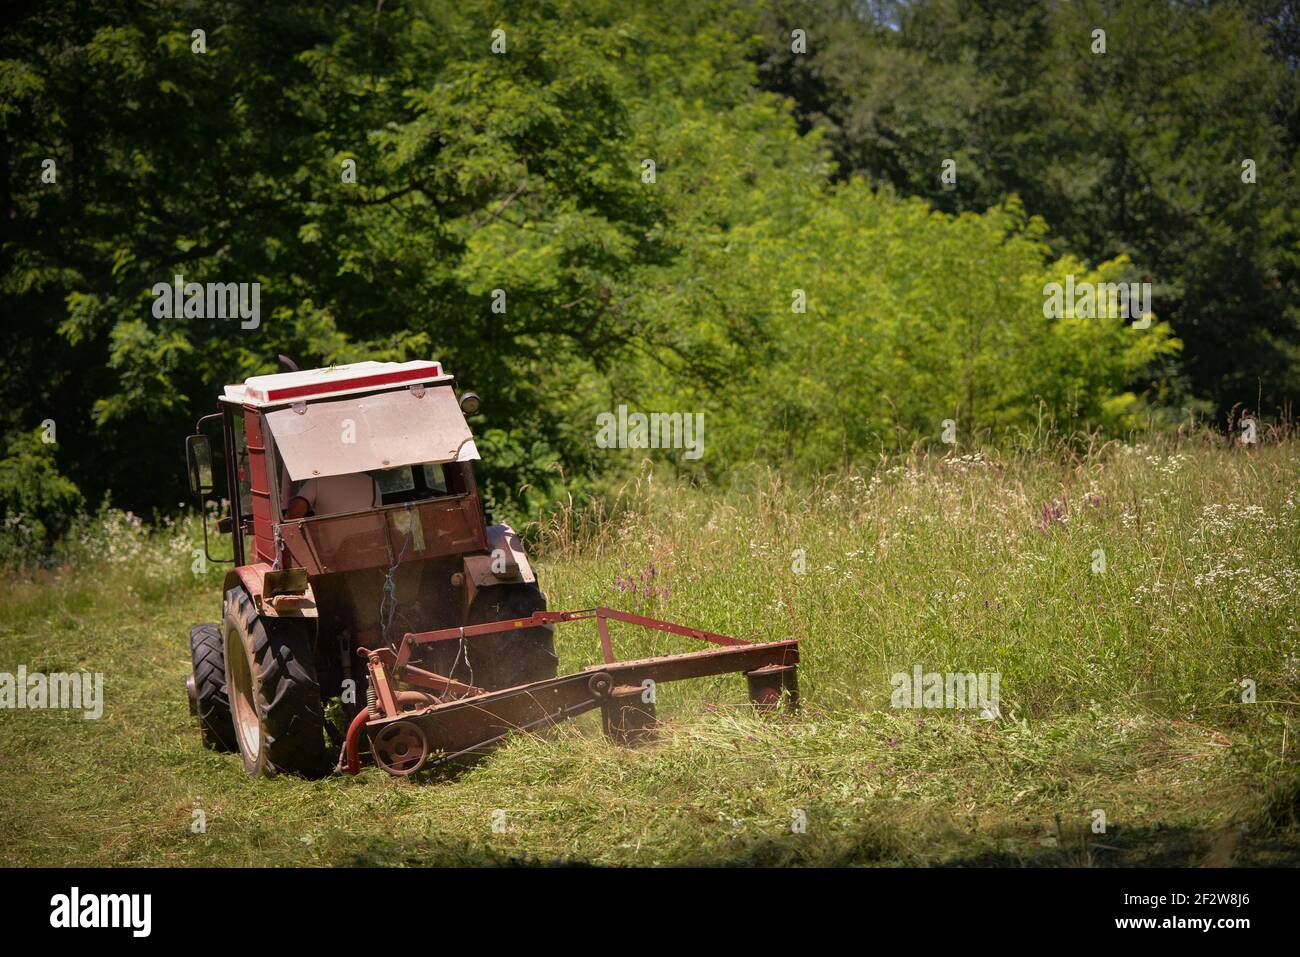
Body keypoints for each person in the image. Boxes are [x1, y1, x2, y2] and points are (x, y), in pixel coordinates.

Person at [284, 472, 377, 519]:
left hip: (330, 552)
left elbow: (294, 513)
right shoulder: (371, 482)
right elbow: (379, 519)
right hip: (368, 546)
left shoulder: (318, 481)